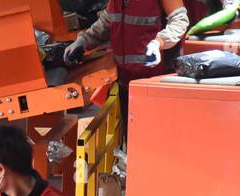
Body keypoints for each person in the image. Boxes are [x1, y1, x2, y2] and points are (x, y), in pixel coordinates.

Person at [64, 0, 190, 144]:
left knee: (156, 142)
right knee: (133, 141)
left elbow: (179, 21)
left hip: (156, 83)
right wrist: (84, 41)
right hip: (126, 82)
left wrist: (159, 42)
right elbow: (107, 19)